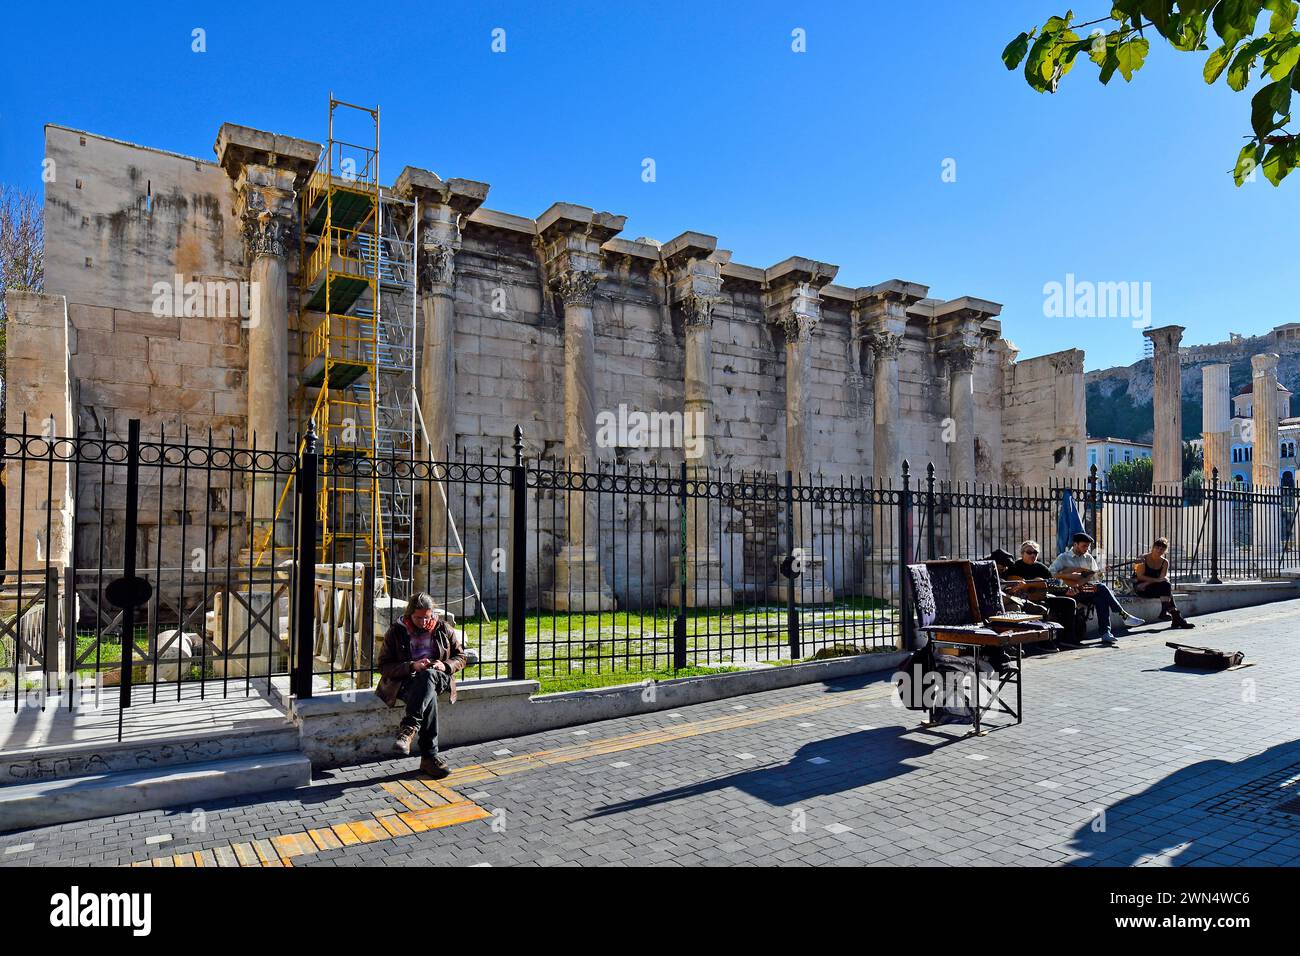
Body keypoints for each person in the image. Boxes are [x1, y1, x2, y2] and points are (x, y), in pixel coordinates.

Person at [375, 593, 467, 778]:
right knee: (428, 694)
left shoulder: (443, 628)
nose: (424, 621)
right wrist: (411, 666)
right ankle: (429, 758)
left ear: (432, 614)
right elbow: (384, 666)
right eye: (419, 617)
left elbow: (461, 657)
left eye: (428, 617)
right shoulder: (396, 631)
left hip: (439, 676)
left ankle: (408, 730)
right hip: (407, 681)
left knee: (429, 675)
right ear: (409, 615)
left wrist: (445, 665)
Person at [1049, 532, 1144, 648]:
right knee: (1102, 588)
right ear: (1075, 544)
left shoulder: (1088, 558)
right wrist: (1070, 576)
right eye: (1084, 546)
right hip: (1070, 591)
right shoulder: (1063, 558)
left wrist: (1102, 573)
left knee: (1101, 598)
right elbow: (1051, 573)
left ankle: (1105, 633)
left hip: (1086, 589)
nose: (1087, 549)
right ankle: (1123, 615)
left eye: (1088, 546)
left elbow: (1095, 576)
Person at [1000, 540, 1080, 647]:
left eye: (1035, 553)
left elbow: (1051, 586)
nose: (1033, 555)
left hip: (1042, 596)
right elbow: (1004, 587)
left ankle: (1067, 638)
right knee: (1041, 607)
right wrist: (1014, 589)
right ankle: (1044, 641)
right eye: (1029, 552)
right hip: (1020, 600)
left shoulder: (1041, 568)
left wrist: (1066, 590)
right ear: (1022, 553)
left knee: (1069, 602)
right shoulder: (1013, 567)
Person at [1133, 537, 1195, 629]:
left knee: (1166, 585)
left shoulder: (1165, 562)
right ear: (1152, 547)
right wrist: (1154, 581)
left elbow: (1162, 578)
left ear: (1165, 551)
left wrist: (1148, 583)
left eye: (1162, 549)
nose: (1159, 550)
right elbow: (1139, 576)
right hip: (1141, 588)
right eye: (1157, 548)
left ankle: (1166, 613)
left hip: (1151, 587)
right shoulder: (1143, 558)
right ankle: (1176, 617)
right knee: (1167, 588)